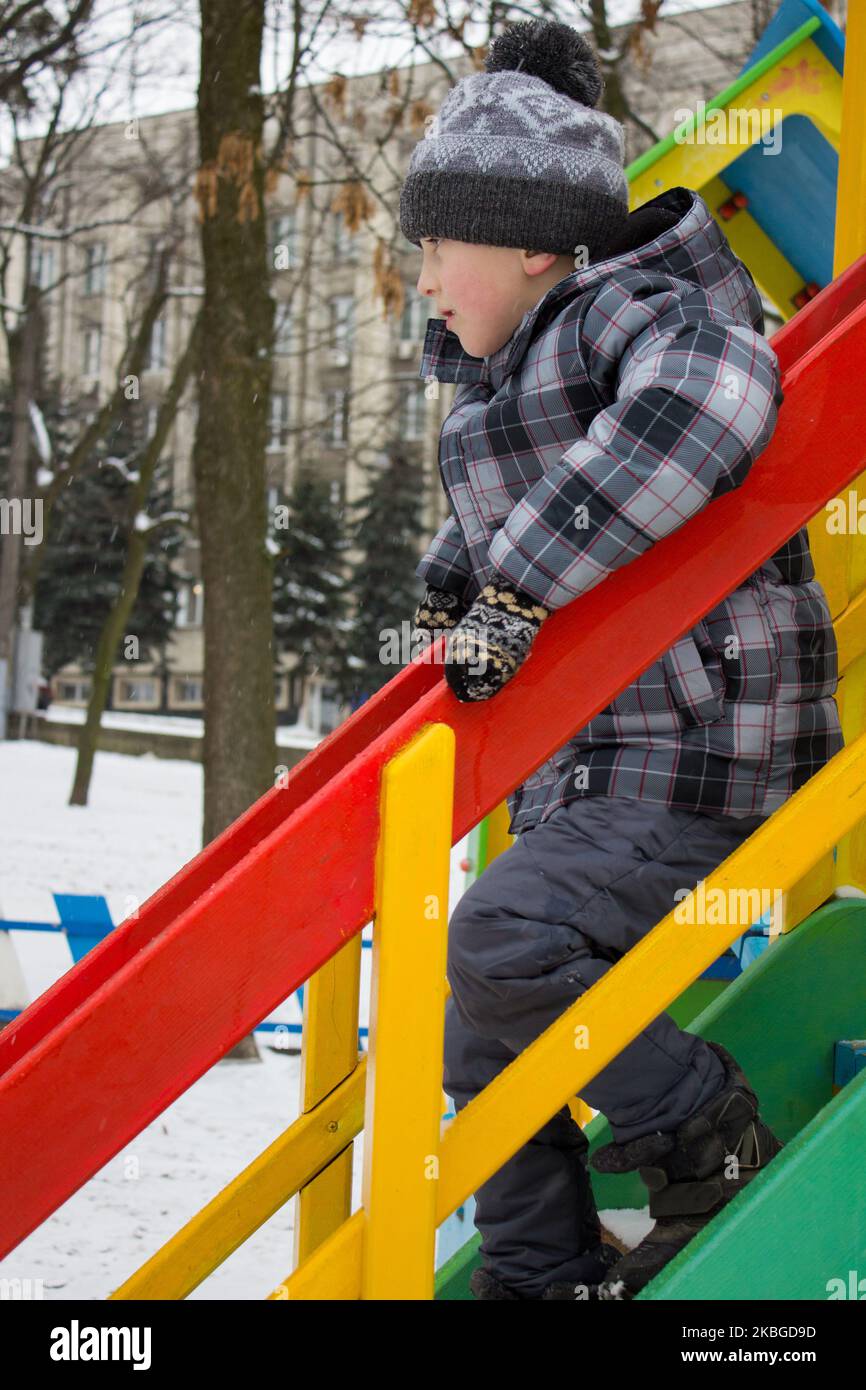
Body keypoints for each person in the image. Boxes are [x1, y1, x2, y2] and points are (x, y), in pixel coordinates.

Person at [400, 18, 842, 1301]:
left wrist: (513, 590)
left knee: (505, 941)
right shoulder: (501, 382)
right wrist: (452, 586)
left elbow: (709, 400)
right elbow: (501, 515)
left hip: (698, 748)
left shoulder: (635, 315)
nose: (423, 279)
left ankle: (704, 1127)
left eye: (439, 249)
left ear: (535, 245)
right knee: (477, 1022)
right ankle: (536, 1274)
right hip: (591, 770)